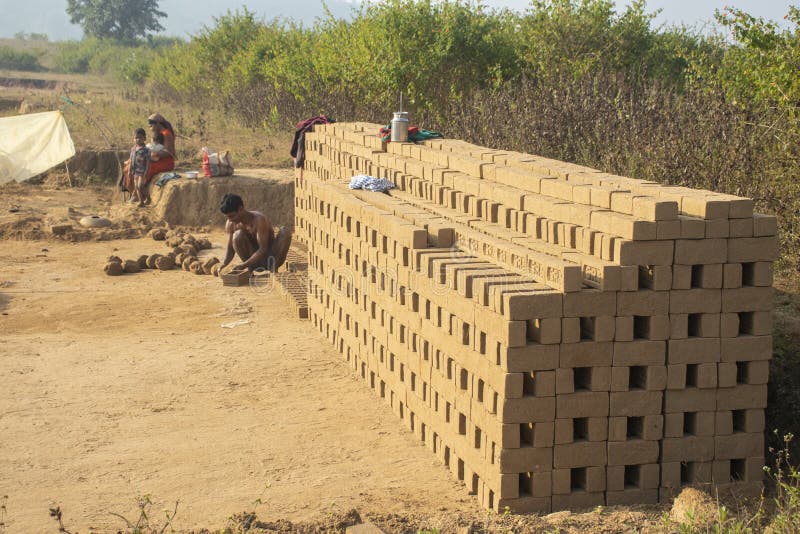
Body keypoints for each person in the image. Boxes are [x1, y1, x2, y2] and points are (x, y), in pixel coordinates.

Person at [219, 193, 293, 272]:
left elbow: (263, 248)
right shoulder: (231, 224)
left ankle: (273, 269)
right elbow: (230, 249)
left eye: (232, 216)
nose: (230, 220)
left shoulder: (259, 220)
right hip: (252, 261)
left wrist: (244, 265)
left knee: (285, 231)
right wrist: (224, 264)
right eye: (227, 217)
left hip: (270, 258)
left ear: (240, 209)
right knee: (237, 236)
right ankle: (251, 269)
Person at [128, 128, 150, 207]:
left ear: (144, 138)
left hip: (142, 171)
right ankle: (146, 199)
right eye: (136, 138)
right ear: (134, 139)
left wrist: (146, 171)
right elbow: (131, 160)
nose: (138, 139)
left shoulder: (146, 150)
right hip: (135, 171)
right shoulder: (133, 149)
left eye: (140, 138)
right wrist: (129, 170)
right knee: (137, 186)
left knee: (140, 186)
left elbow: (148, 162)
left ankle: (142, 202)